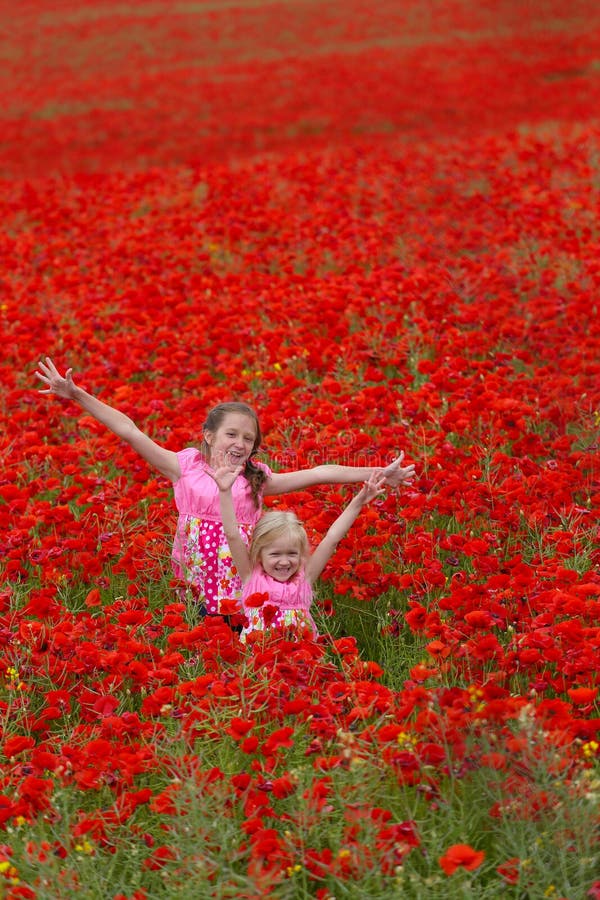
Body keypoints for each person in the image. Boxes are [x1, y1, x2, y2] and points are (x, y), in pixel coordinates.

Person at [36, 356, 415, 617]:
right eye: (231, 434)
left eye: (248, 439)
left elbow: (319, 471)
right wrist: (77, 395)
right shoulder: (182, 467)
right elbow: (129, 429)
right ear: (208, 436)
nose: (240, 443)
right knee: (200, 631)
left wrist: (378, 471)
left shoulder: (257, 478)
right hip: (198, 574)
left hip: (245, 578)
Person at [213, 461, 387, 639]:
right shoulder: (251, 576)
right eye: (275, 554)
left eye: (292, 553)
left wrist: (358, 502)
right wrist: (225, 492)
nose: (284, 561)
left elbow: (332, 538)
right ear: (259, 554)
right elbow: (232, 534)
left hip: (300, 663)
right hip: (261, 662)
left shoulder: (305, 577)